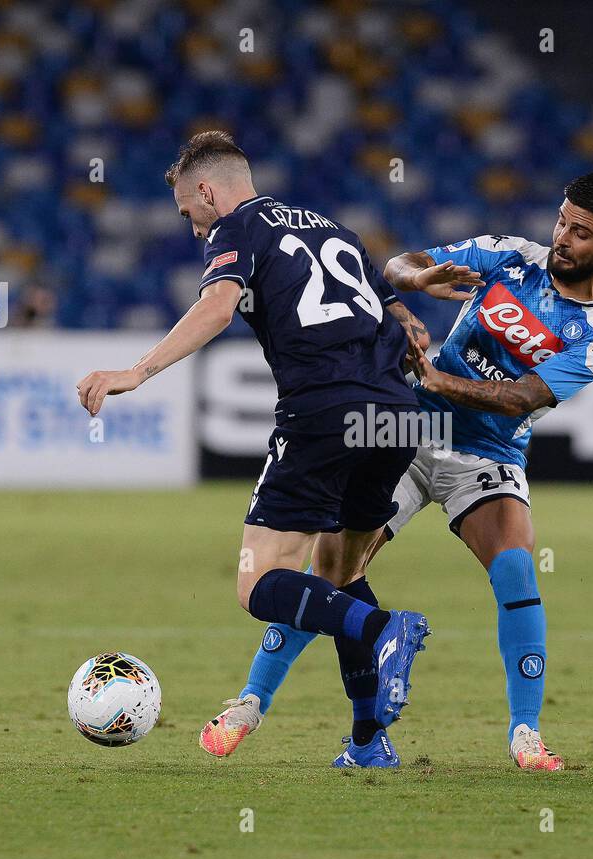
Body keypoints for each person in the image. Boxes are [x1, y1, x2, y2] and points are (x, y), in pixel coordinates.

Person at [208, 172, 593, 771]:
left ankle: (525, 733)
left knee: (516, 569)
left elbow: (522, 397)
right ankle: (252, 703)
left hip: (489, 454)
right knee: (333, 570)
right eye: (562, 221)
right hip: (408, 432)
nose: (562, 238)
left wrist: (440, 380)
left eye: (582, 233)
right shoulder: (510, 255)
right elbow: (396, 266)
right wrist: (419, 279)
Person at [76, 130, 439, 749]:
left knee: (257, 584)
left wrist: (137, 371)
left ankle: (385, 630)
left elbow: (217, 308)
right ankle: (367, 743)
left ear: (207, 191)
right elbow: (407, 323)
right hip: (396, 416)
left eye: (188, 213)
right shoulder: (336, 231)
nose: (194, 228)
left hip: (323, 412)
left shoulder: (236, 228)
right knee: (339, 574)